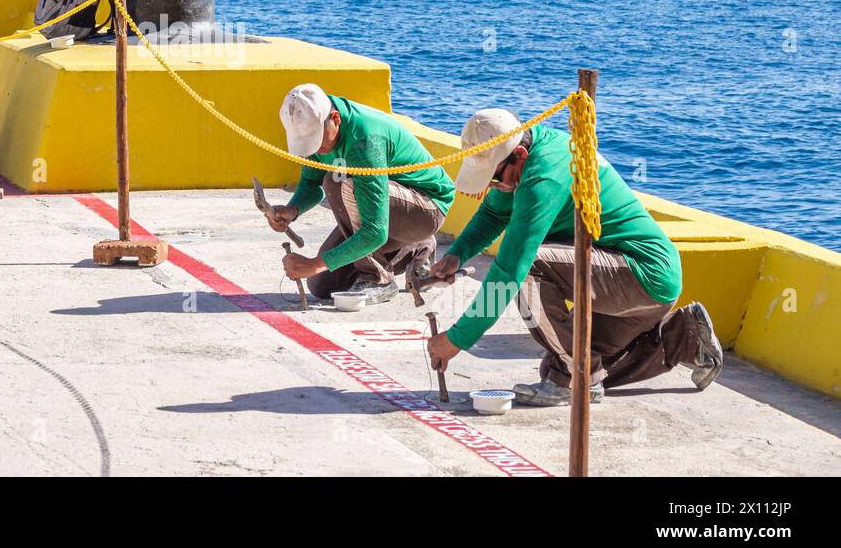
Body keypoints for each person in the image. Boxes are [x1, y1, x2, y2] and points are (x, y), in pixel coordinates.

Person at [425, 108, 723, 405]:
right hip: (628, 279)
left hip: (642, 274)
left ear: (519, 155)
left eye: (496, 179)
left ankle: (575, 377)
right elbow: (493, 212)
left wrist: (455, 340)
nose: (497, 187)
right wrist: (457, 254)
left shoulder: (542, 179)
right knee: (564, 367)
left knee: (531, 269)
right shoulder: (524, 153)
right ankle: (684, 337)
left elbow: (509, 272)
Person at [269, 84, 455, 303]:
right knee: (321, 284)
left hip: (426, 209)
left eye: (316, 139)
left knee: (338, 183)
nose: (315, 148)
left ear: (335, 119)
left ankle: (379, 279)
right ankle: (416, 248)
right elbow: (311, 181)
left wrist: (314, 264)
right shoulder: (316, 127)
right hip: (387, 208)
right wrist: (293, 209)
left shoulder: (365, 142)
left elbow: (375, 232)